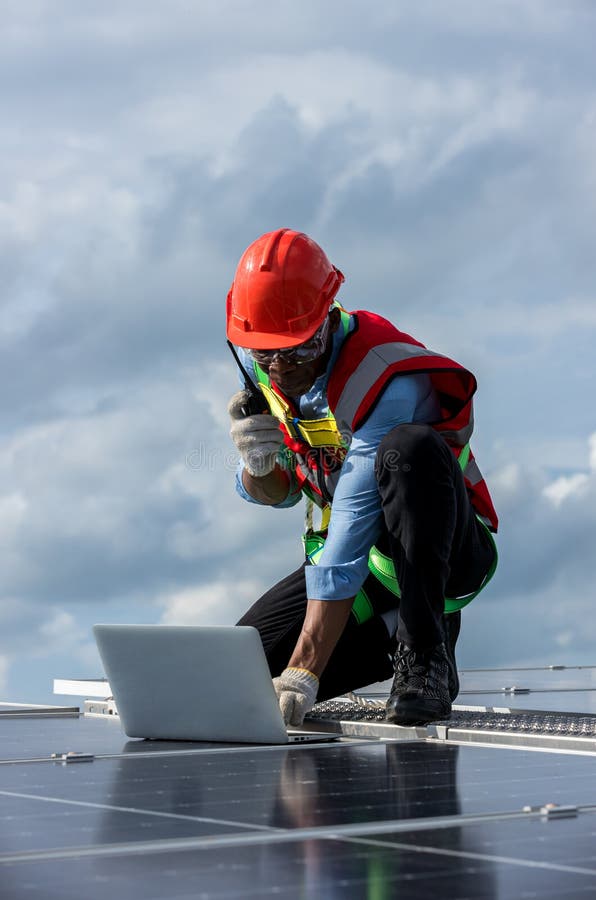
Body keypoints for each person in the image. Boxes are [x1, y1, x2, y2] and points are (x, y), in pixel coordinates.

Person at [226, 228, 498, 728]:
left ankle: (425, 650)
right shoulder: (262, 359)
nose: (281, 368)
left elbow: (351, 526)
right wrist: (257, 463)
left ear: (328, 318)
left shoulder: (383, 376)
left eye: (298, 350)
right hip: (361, 559)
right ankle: (389, 633)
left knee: (407, 450)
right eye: (267, 354)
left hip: (437, 551)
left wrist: (305, 669)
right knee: (237, 674)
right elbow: (281, 495)